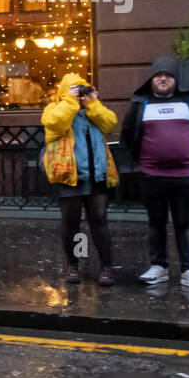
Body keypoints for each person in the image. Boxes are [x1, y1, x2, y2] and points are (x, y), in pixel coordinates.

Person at [120, 57, 189, 290]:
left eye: (168, 75)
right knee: (155, 223)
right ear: (151, 80)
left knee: (184, 223)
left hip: (185, 176)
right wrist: (146, 160)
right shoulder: (141, 104)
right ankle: (158, 267)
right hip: (152, 176)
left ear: (175, 80)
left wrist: (184, 154)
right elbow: (128, 137)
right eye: (158, 74)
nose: (163, 78)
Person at [42, 72, 119, 286]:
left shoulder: (93, 110)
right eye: (74, 88)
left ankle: (106, 267)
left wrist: (92, 103)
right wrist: (70, 101)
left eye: (81, 88)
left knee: (100, 220)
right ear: (65, 91)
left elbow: (110, 123)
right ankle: (73, 265)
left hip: (97, 175)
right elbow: (56, 124)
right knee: (71, 223)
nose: (79, 93)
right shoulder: (55, 108)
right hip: (69, 176)